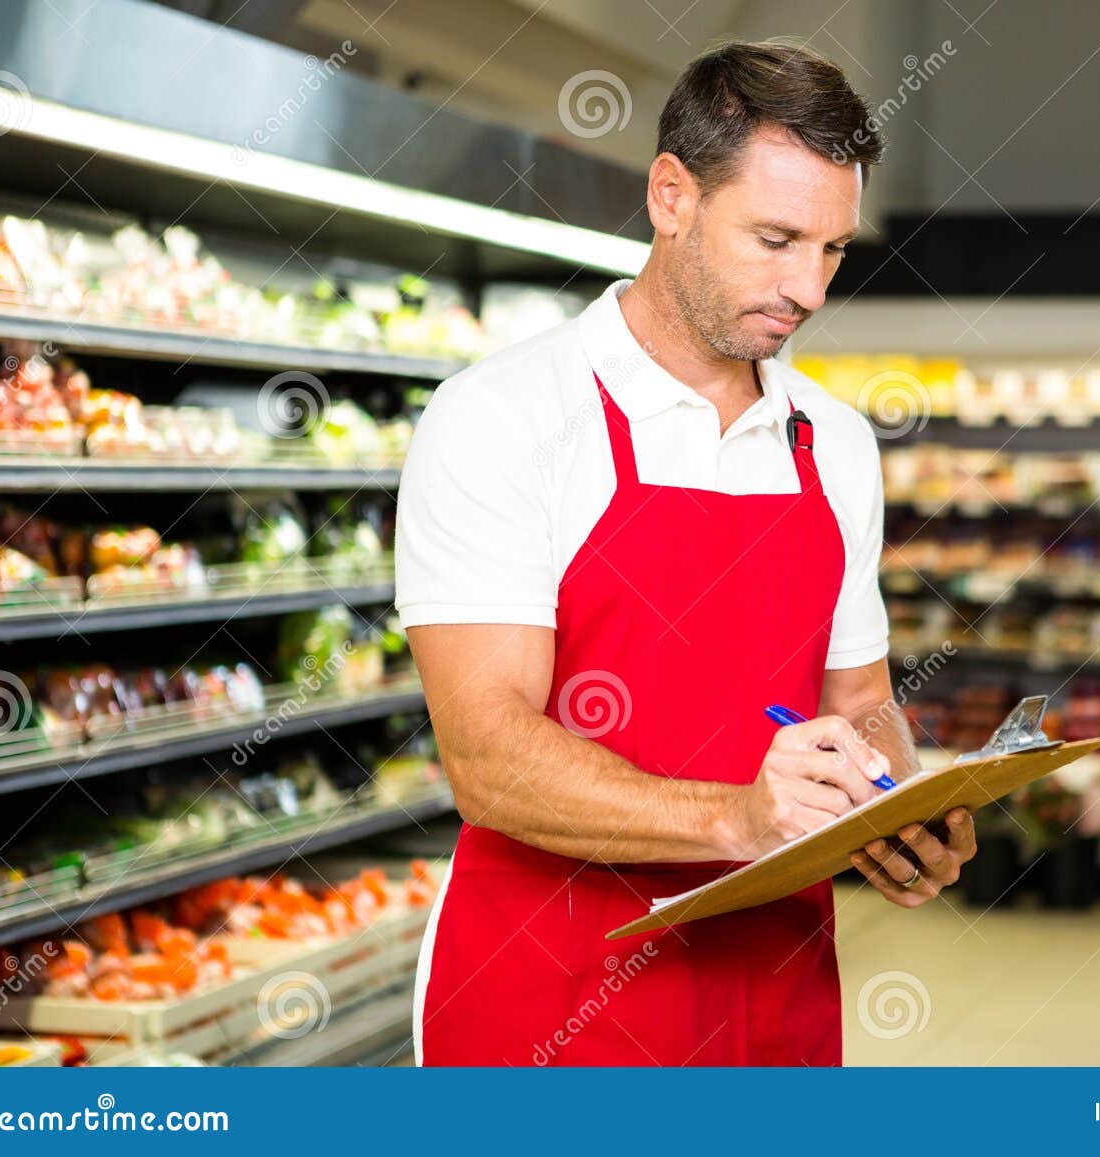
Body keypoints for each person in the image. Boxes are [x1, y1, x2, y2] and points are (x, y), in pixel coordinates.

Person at [397, 40, 977, 1067]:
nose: (809, 288)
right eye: (776, 238)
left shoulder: (833, 443)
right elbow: (485, 754)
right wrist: (738, 818)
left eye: (834, 250)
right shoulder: (505, 415)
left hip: (775, 994)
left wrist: (897, 802)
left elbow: (859, 704)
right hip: (550, 1003)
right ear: (671, 196)